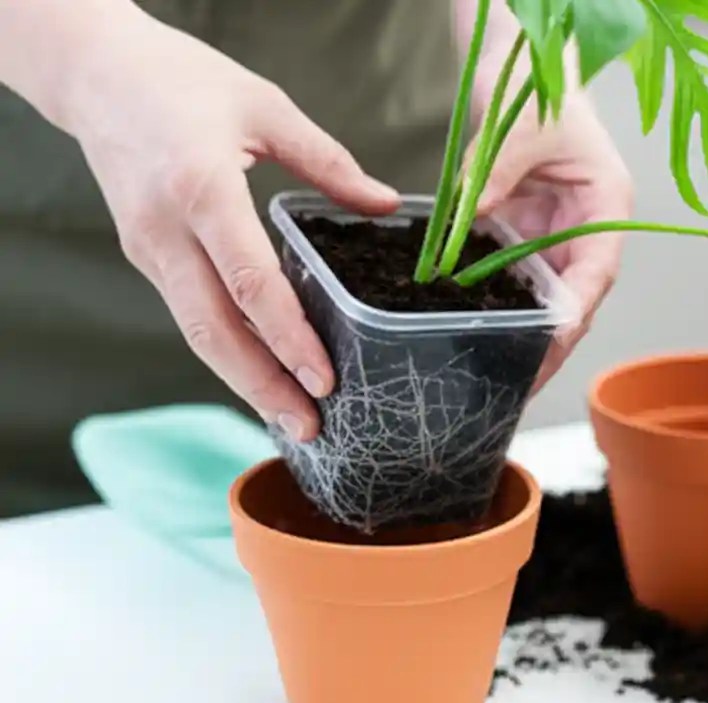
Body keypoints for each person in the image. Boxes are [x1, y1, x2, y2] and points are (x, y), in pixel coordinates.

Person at [0, 0, 631, 518]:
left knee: (392, 519)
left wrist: (524, 59)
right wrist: (92, 62)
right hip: (53, 227)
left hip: (386, 129)